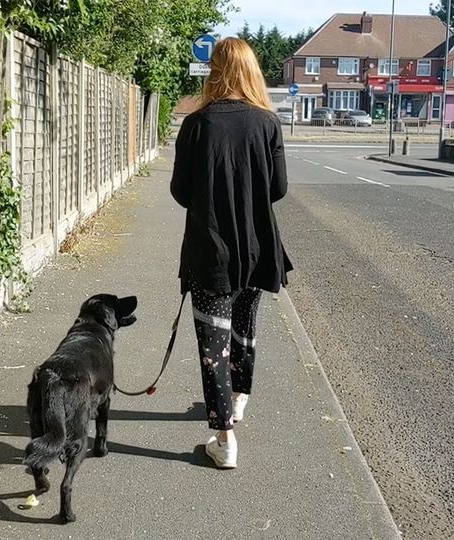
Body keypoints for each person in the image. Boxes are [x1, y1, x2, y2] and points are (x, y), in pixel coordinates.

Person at [170, 37, 292, 469]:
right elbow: (278, 189)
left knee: (213, 344)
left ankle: (224, 439)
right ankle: (238, 400)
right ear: (252, 71)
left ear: (216, 71)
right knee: (244, 327)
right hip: (257, 249)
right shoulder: (268, 124)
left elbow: (180, 192)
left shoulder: (196, 125)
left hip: (211, 251)